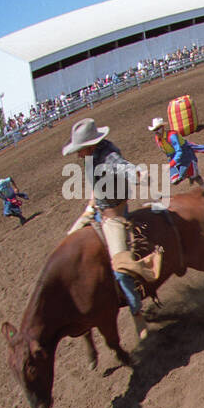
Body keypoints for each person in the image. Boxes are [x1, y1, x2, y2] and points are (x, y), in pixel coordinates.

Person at [63, 118, 162, 343]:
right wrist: (92, 204)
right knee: (69, 241)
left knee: (120, 269)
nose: (78, 155)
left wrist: (138, 173)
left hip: (113, 216)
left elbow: (122, 166)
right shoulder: (90, 157)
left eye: (79, 150)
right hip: (96, 206)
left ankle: (137, 315)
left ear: (89, 145)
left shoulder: (108, 156)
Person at [148, 117, 204, 190]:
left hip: (185, 155)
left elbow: (179, 151)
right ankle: (186, 175)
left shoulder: (172, 136)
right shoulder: (158, 139)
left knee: (194, 174)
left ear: (162, 127)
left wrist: (172, 163)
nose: (156, 132)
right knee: (174, 180)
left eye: (157, 129)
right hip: (174, 157)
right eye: (154, 130)